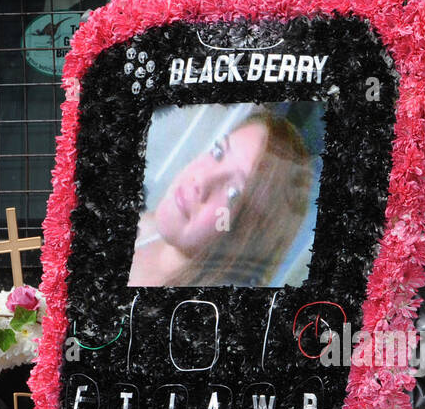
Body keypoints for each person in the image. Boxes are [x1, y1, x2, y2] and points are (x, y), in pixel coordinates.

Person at [128, 110, 314, 287]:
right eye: (218, 153)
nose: (201, 180)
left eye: (233, 192)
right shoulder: (149, 227)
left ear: (240, 240)